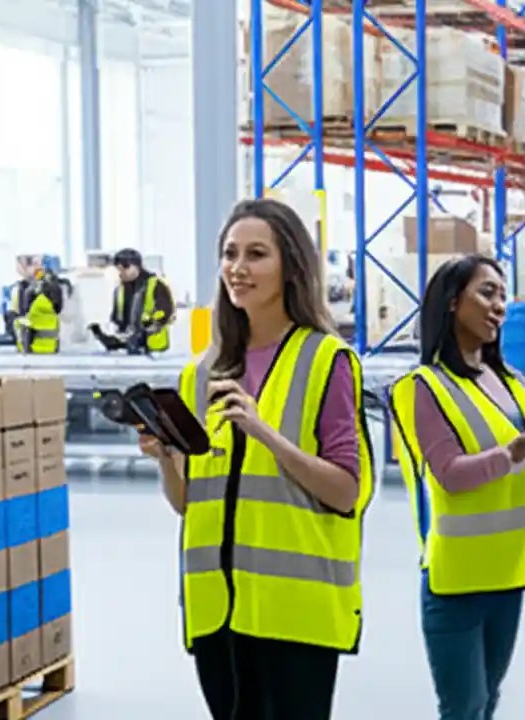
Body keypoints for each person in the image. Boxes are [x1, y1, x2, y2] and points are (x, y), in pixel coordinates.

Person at [138, 197, 374, 720]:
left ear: (291, 266)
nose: (237, 269)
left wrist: (264, 433)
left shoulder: (327, 361)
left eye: (256, 254)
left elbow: (346, 491)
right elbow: (189, 505)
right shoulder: (200, 373)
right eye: (229, 253)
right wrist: (166, 457)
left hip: (296, 613)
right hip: (216, 609)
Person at [386, 254, 525, 720]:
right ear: (452, 303)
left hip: (508, 572)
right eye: (487, 293)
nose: (500, 307)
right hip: (456, 580)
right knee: (464, 707)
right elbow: (450, 474)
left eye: (503, 296)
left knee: (488, 702)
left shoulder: (508, 381)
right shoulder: (422, 387)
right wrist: (515, 451)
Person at [111, 248, 175, 352]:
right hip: (129, 347)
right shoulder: (120, 290)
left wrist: (151, 322)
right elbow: (117, 317)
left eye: (125, 268)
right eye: (119, 269)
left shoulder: (155, 285)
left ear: (137, 266)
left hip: (154, 348)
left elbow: (166, 311)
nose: (122, 272)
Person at [8, 255, 65, 354]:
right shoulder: (54, 286)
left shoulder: (29, 291)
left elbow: (23, 316)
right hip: (52, 348)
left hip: (31, 349)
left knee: (12, 316)